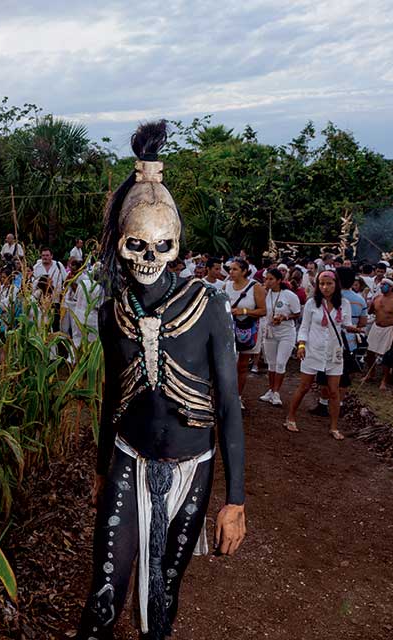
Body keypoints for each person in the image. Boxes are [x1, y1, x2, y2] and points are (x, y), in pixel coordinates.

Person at [76, 122, 244, 640]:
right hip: (129, 458)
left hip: (193, 467)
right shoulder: (112, 313)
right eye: (137, 245)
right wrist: (104, 469)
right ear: (122, 246)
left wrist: (234, 500)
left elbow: (229, 407)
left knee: (162, 599)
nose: (150, 258)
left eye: (162, 246)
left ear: (175, 246)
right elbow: (111, 397)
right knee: (104, 598)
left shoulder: (209, 306)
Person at [284, 270, 360, 439]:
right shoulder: (312, 303)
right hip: (313, 350)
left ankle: (334, 427)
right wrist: (301, 345)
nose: (325, 287)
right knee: (304, 387)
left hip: (334, 352)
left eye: (329, 284)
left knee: (334, 391)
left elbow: (345, 323)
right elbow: (304, 327)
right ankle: (290, 417)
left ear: (336, 285)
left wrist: (351, 328)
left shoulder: (344, 304)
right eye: (322, 284)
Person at [223, 258, 266, 406]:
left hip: (247, 329)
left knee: (242, 365)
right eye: (230, 269)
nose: (231, 272)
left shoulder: (255, 287)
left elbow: (263, 310)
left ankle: (238, 397)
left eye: (235, 269)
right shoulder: (226, 286)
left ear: (244, 271)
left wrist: (244, 311)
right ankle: (226, 395)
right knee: (227, 364)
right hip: (229, 329)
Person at [258, 268, 301, 406]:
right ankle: (270, 390)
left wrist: (285, 317)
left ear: (279, 280)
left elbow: (297, 313)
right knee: (271, 363)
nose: (268, 282)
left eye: (271, 279)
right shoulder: (265, 294)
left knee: (281, 362)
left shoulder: (289, 295)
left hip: (286, 333)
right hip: (269, 332)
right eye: (266, 279)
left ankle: (276, 392)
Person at [364, 279, 393, 390]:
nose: (382, 286)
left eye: (384, 284)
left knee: (386, 356)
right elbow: (369, 311)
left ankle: (384, 380)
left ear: (391, 287)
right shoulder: (377, 298)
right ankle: (371, 374)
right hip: (376, 327)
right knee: (369, 353)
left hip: (389, 329)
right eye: (381, 284)